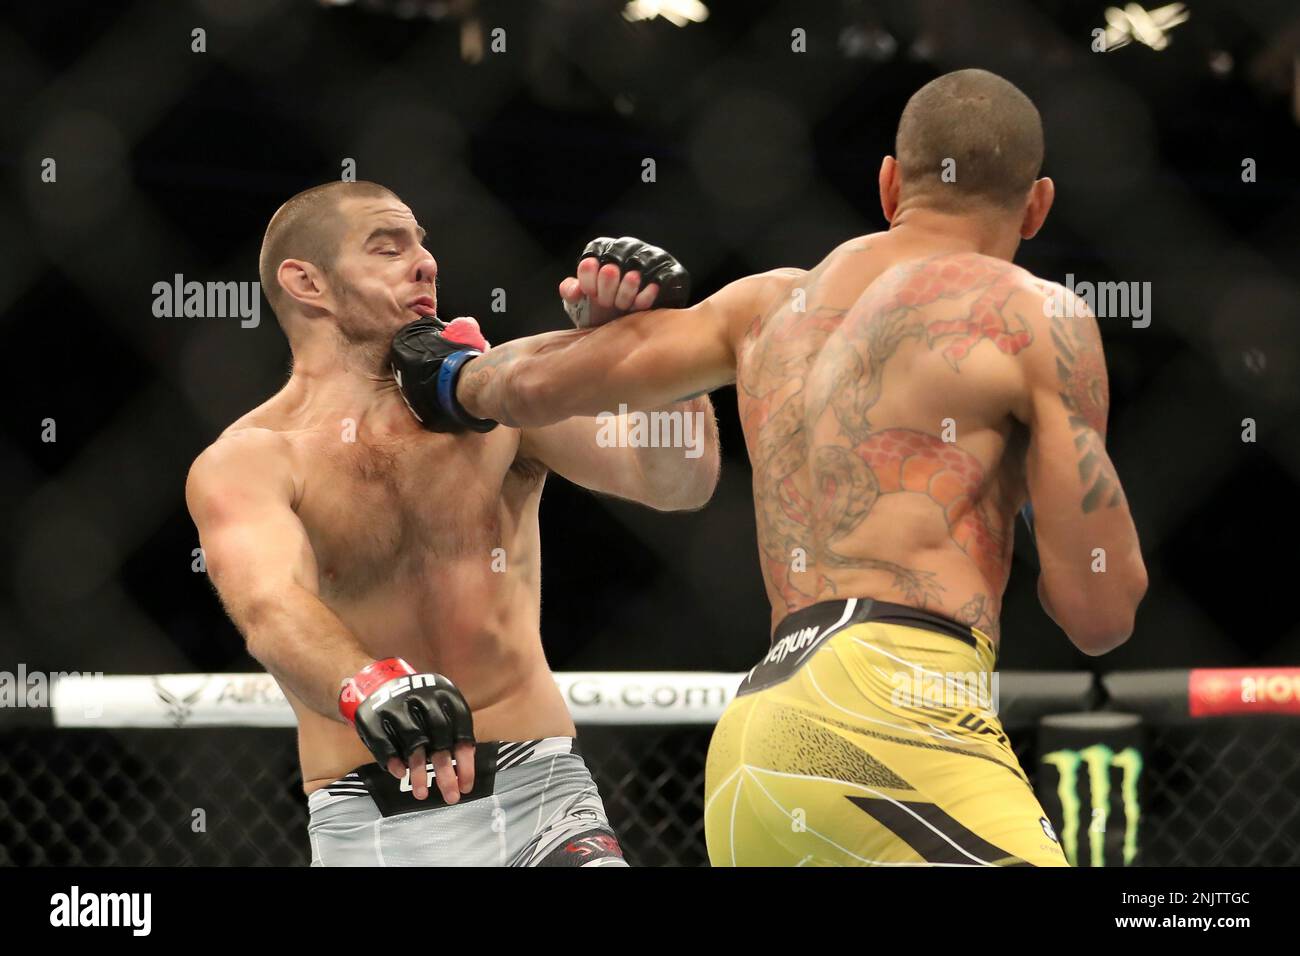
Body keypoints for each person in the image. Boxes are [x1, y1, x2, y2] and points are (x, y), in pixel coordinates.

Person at [398, 69, 1149, 866]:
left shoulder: (766, 306)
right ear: (1037, 205)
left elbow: (530, 383)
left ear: (891, 185)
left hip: (757, 741)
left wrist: (444, 373)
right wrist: (1035, 487)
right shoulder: (1035, 313)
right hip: (899, 713)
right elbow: (1098, 611)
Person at [185, 180, 718, 866]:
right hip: (366, 817)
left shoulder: (495, 401)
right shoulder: (250, 459)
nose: (425, 262)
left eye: (423, 244)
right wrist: (369, 685)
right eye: (388, 247)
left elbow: (677, 483)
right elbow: (270, 605)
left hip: (542, 801)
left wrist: (657, 343)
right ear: (306, 281)